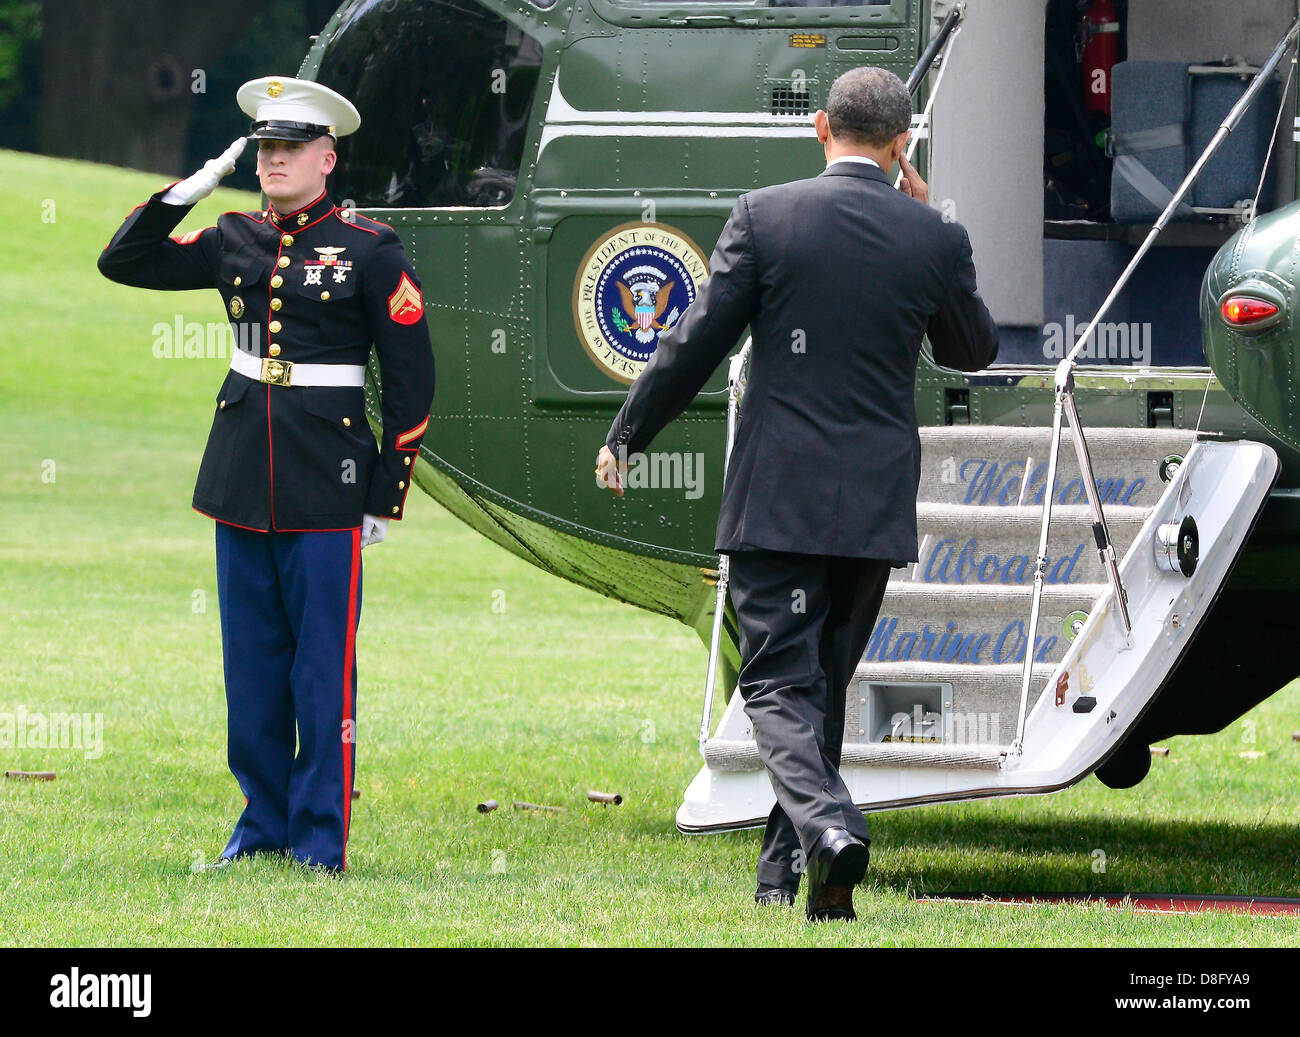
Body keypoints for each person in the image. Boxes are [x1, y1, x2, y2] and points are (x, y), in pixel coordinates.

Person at [595, 66, 998, 920]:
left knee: (776, 688)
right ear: (902, 145)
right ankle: (796, 885)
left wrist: (629, 431)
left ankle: (828, 827)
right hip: (873, 506)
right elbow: (973, 351)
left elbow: (695, 340)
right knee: (819, 689)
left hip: (779, 496)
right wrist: (928, 223)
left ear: (821, 127)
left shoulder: (766, 216)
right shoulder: (932, 237)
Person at [98, 77, 436, 873]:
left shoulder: (369, 248)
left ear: (327, 157)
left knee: (320, 674)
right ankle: (262, 825)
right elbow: (124, 259)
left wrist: (387, 490)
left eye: (290, 148)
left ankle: (319, 840)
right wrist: (192, 187)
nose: (274, 160)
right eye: (265, 148)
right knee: (250, 672)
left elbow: (413, 380)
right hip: (242, 474)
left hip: (329, 480)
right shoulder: (233, 234)